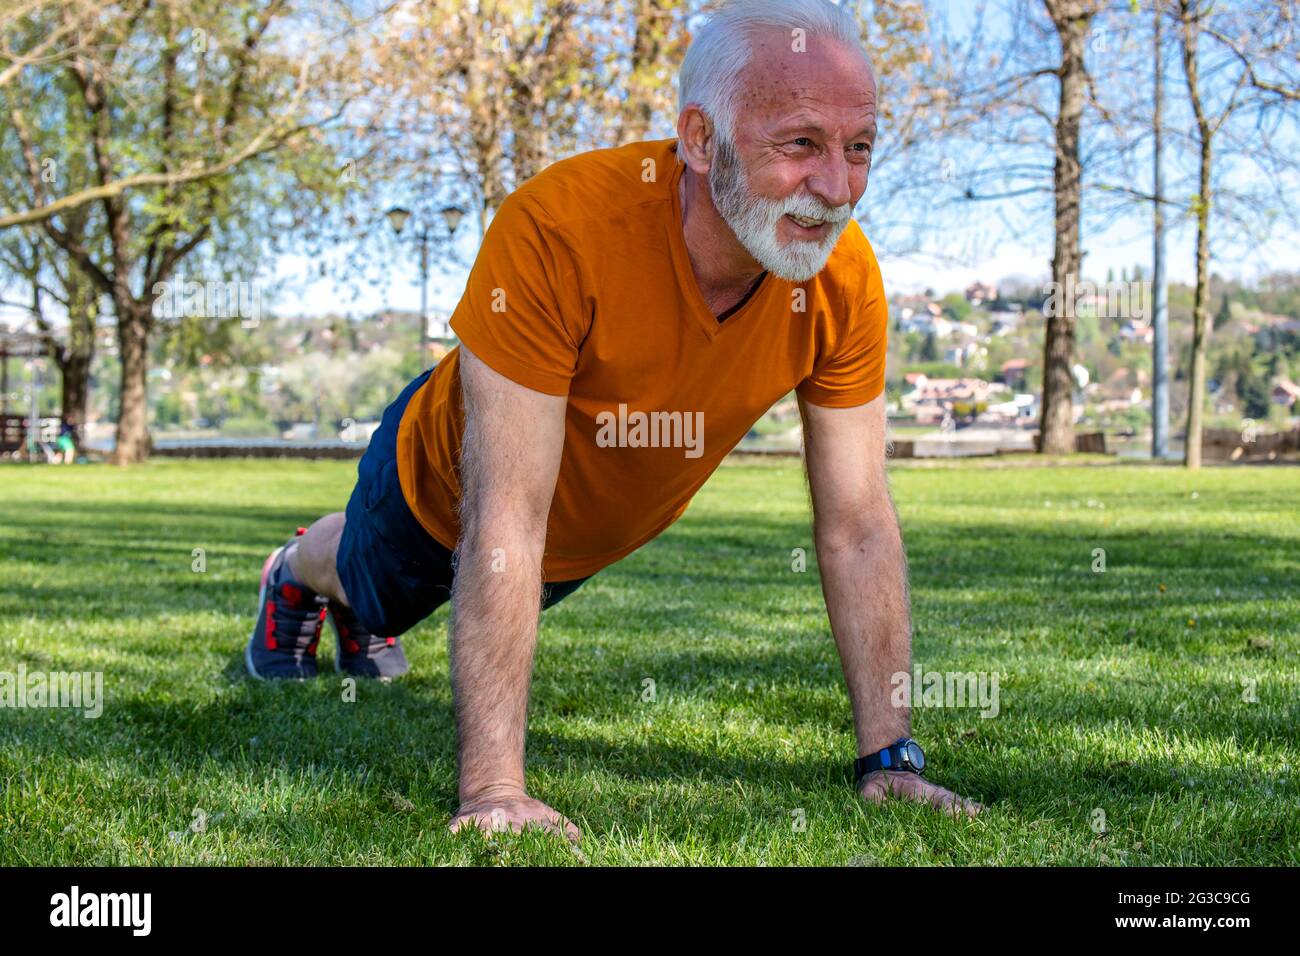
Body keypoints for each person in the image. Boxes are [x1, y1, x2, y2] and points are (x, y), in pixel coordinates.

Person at [245, 0, 983, 839]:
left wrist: (890, 760)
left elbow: (857, 525)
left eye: (859, 150)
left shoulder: (842, 280)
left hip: (569, 541)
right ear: (700, 141)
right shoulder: (560, 229)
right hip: (439, 491)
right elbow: (506, 516)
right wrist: (494, 791)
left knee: (440, 599)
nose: (837, 188)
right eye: (801, 145)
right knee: (375, 595)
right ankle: (296, 571)